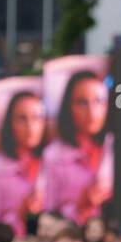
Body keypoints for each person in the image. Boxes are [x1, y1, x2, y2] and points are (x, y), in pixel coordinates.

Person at [41, 69, 113, 224]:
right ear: (69, 107)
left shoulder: (113, 147)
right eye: (82, 103)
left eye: (99, 101)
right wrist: (83, 205)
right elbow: (48, 215)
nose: (92, 112)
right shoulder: (53, 156)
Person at [0, 89, 46, 235]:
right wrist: (20, 216)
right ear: (10, 124)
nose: (30, 127)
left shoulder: (50, 162)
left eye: (36, 118)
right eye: (22, 119)